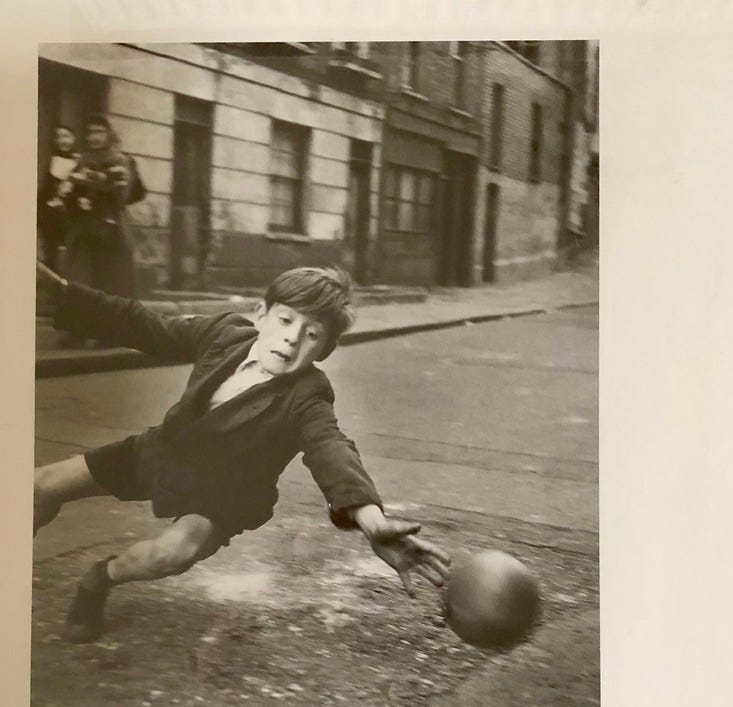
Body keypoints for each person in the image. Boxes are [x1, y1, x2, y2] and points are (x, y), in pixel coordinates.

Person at [34, 260, 451, 643]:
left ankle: (99, 580)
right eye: (286, 320)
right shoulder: (225, 334)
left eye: (312, 334)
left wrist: (372, 521)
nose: (291, 340)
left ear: (324, 350)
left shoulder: (309, 395)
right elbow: (145, 325)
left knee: (169, 554)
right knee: (38, 487)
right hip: (161, 454)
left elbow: (332, 449)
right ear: (261, 314)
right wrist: (62, 292)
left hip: (222, 495)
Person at [63, 114, 136, 304]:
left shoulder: (121, 161)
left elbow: (122, 196)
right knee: (80, 279)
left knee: (111, 281)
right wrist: (73, 195)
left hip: (111, 231)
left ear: (108, 135)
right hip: (84, 231)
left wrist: (93, 183)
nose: (93, 137)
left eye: (99, 132)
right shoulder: (82, 160)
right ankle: (77, 326)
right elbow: (69, 191)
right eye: (90, 132)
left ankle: (110, 326)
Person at [37, 125, 78, 273]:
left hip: (71, 213)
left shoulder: (79, 162)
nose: (62, 140)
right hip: (51, 214)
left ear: (73, 139)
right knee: (50, 251)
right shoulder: (51, 161)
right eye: (59, 137)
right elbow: (46, 189)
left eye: (66, 136)